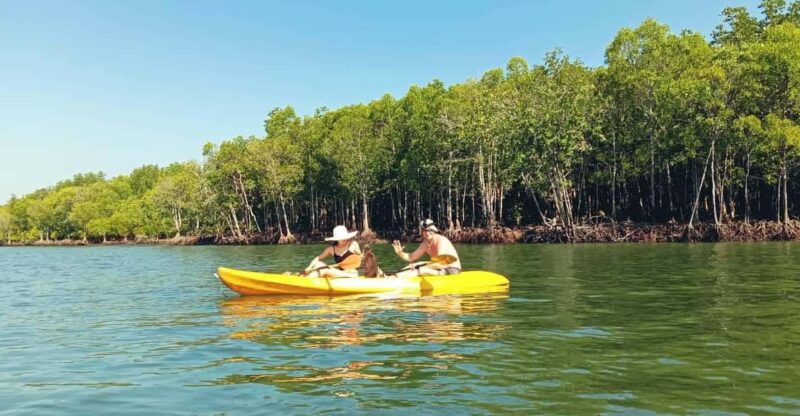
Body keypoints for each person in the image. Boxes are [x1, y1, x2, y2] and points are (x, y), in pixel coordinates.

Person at [390, 219, 462, 277]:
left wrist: (420, 268)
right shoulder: (425, 243)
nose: (427, 233)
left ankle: (397, 280)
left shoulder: (441, 241)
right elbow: (410, 257)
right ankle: (394, 276)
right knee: (413, 265)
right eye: (424, 231)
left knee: (419, 269)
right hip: (439, 267)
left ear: (433, 231)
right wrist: (400, 253)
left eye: (429, 230)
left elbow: (441, 263)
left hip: (452, 270)